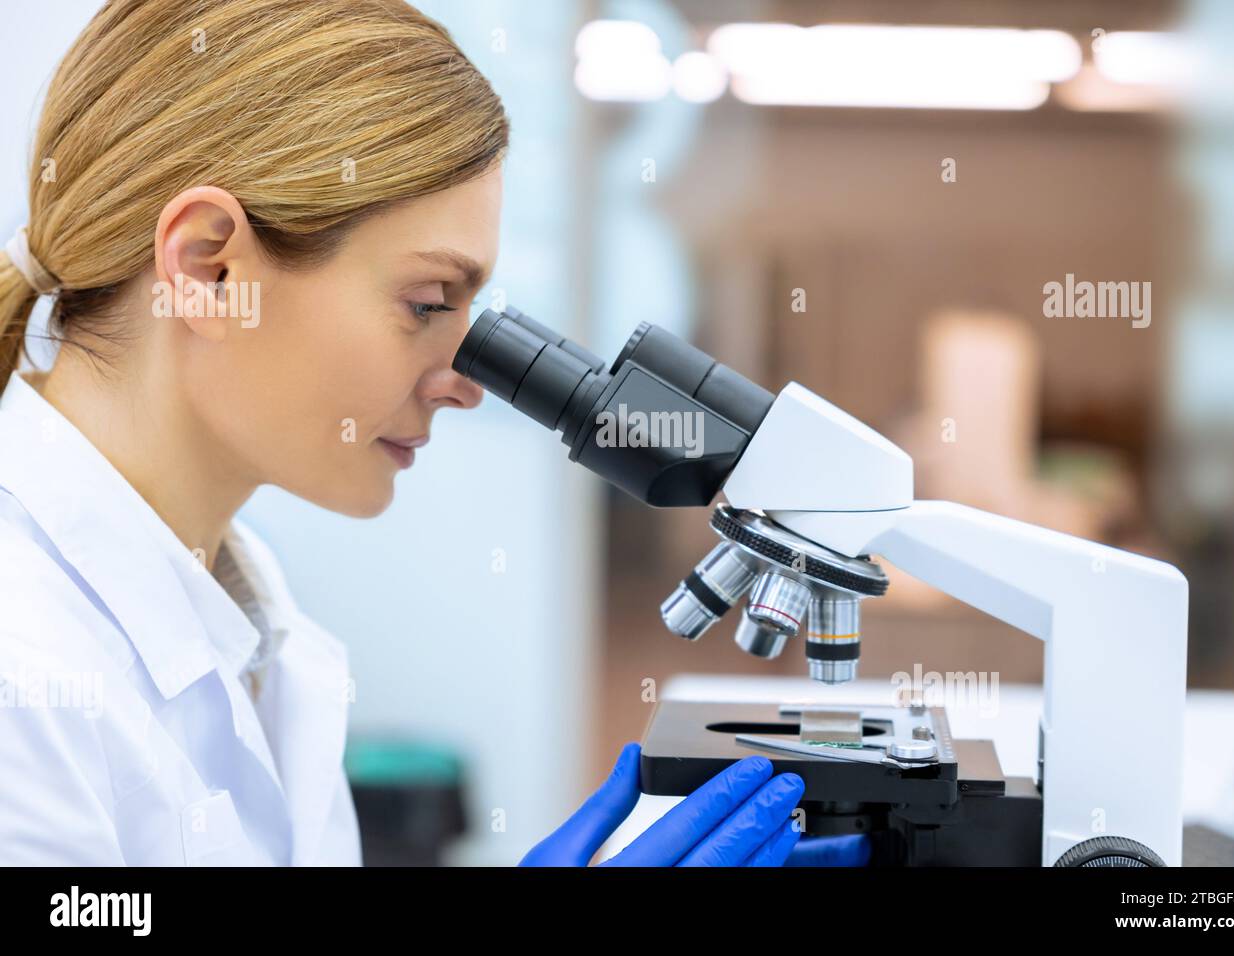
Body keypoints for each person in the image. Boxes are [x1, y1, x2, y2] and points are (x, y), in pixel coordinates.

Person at [0, 0, 869, 867]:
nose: (465, 385)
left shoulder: (253, 617)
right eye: (424, 305)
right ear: (209, 268)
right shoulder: (24, 670)